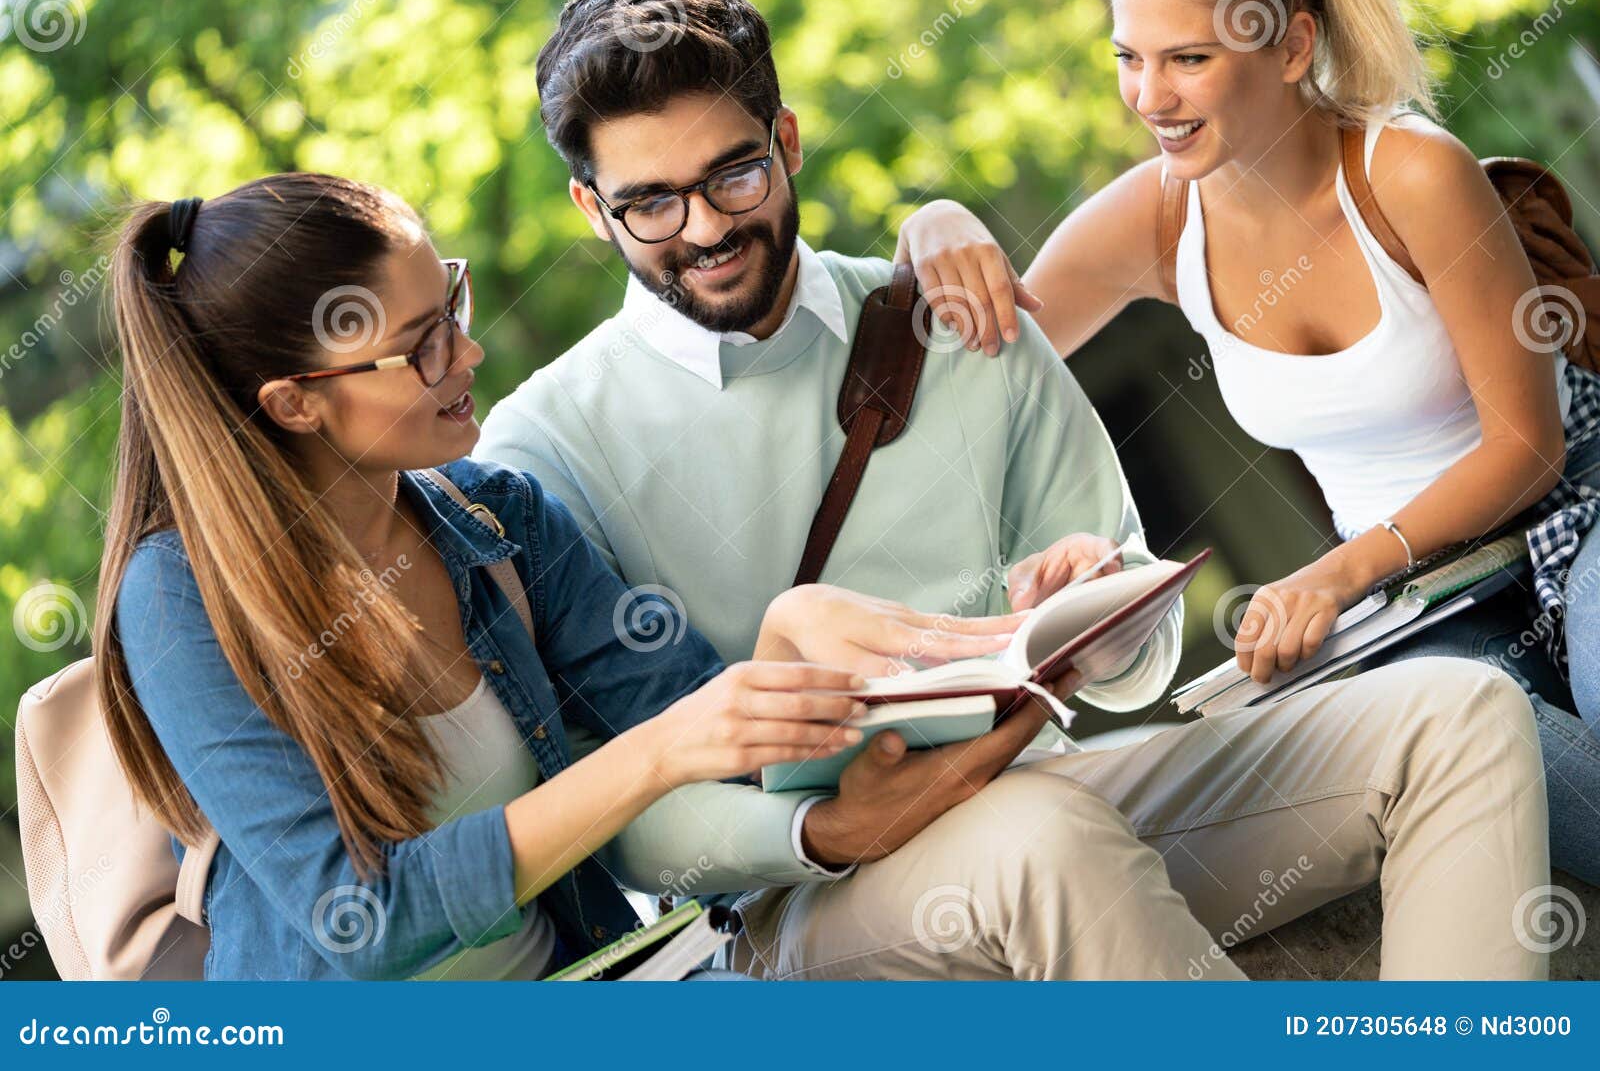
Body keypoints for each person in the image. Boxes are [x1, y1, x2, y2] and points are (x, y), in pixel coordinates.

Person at [476, 0, 1552, 979]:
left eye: (735, 174)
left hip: (1049, 798)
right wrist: (816, 826)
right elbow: (604, 802)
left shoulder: (956, 321)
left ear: (787, 140)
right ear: (591, 208)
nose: (706, 228)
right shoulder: (542, 448)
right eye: (651, 203)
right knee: (1040, 832)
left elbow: (1138, 651)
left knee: (1456, 716)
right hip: (800, 905)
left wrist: (1100, 603)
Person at [100, 173, 1096, 979]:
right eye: (422, 346)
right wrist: (659, 752)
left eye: (451, 305)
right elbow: (365, 919)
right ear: (294, 403)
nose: (468, 350)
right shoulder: (179, 599)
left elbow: (698, 731)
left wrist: (809, 659)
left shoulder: (498, 520)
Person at [892, 0, 1600, 883]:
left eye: (1188, 58)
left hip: (1572, 508)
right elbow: (977, 382)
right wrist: (932, 224)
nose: (1151, 97)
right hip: (1415, 601)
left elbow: (1529, 447)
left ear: (1292, 45)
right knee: (1506, 758)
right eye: (1129, 57)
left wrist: (1333, 577)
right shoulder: (1154, 218)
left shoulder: (1409, 172)